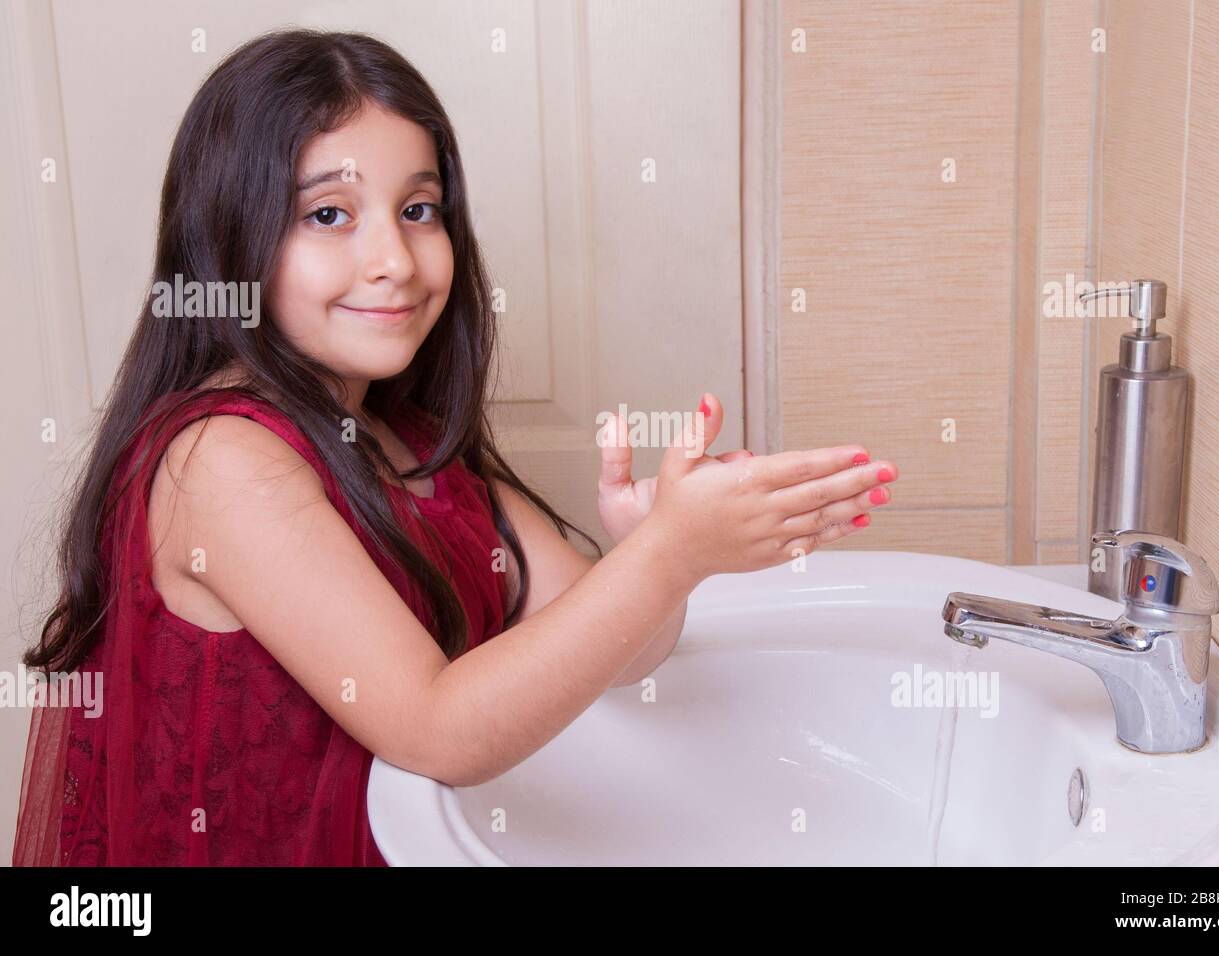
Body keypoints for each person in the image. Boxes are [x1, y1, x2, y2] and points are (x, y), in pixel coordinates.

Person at [12, 28, 897, 866]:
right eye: (328, 214)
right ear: (230, 241)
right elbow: (441, 730)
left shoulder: (410, 442)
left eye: (418, 208)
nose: (393, 257)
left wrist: (656, 549)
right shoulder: (220, 462)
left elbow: (626, 654)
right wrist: (669, 556)